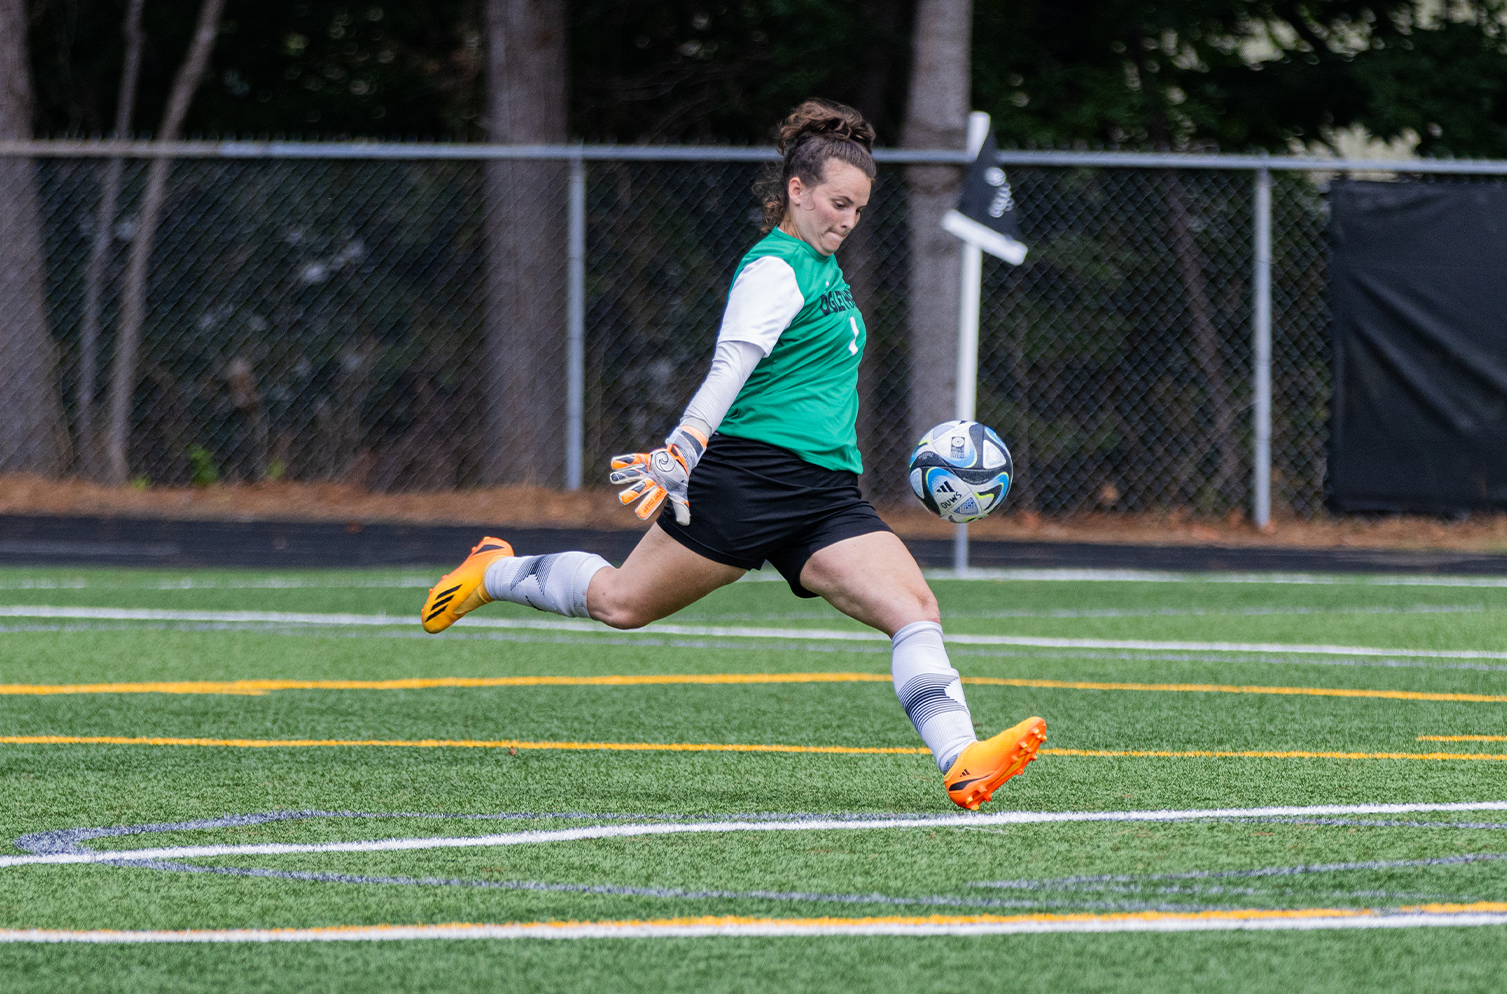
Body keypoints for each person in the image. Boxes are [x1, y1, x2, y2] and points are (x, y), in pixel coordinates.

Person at [421, 99, 1044, 810]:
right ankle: (494, 571)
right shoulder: (775, 269)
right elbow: (731, 363)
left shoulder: (819, 263)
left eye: (861, 210)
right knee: (623, 604)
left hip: (827, 492)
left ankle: (962, 760)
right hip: (747, 479)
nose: (847, 220)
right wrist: (685, 444)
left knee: (913, 608)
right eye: (838, 203)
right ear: (796, 191)